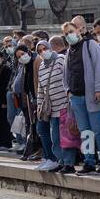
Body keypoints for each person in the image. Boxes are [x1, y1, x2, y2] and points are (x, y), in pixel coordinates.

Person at [63, 19, 100, 174]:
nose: (69, 35)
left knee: (99, 130)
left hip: (92, 95)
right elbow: (66, 73)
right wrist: (68, 91)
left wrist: (99, 89)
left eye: (71, 31)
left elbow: (99, 68)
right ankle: (89, 161)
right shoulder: (69, 51)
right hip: (76, 97)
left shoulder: (90, 45)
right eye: (66, 34)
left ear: (78, 30)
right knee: (85, 132)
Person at [34, 38, 72, 173]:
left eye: (45, 49)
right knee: (55, 138)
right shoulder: (42, 67)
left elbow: (68, 76)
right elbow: (40, 89)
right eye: (39, 51)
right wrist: (39, 106)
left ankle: (68, 162)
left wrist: (69, 95)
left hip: (64, 105)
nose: (43, 52)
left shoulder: (61, 59)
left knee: (67, 137)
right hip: (52, 109)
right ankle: (60, 161)